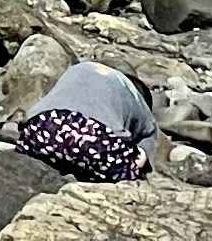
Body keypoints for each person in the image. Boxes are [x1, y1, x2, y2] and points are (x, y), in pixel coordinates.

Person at [11, 58, 158, 184]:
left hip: (43, 127)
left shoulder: (79, 68)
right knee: (129, 179)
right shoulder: (136, 97)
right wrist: (137, 160)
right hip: (94, 138)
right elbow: (149, 137)